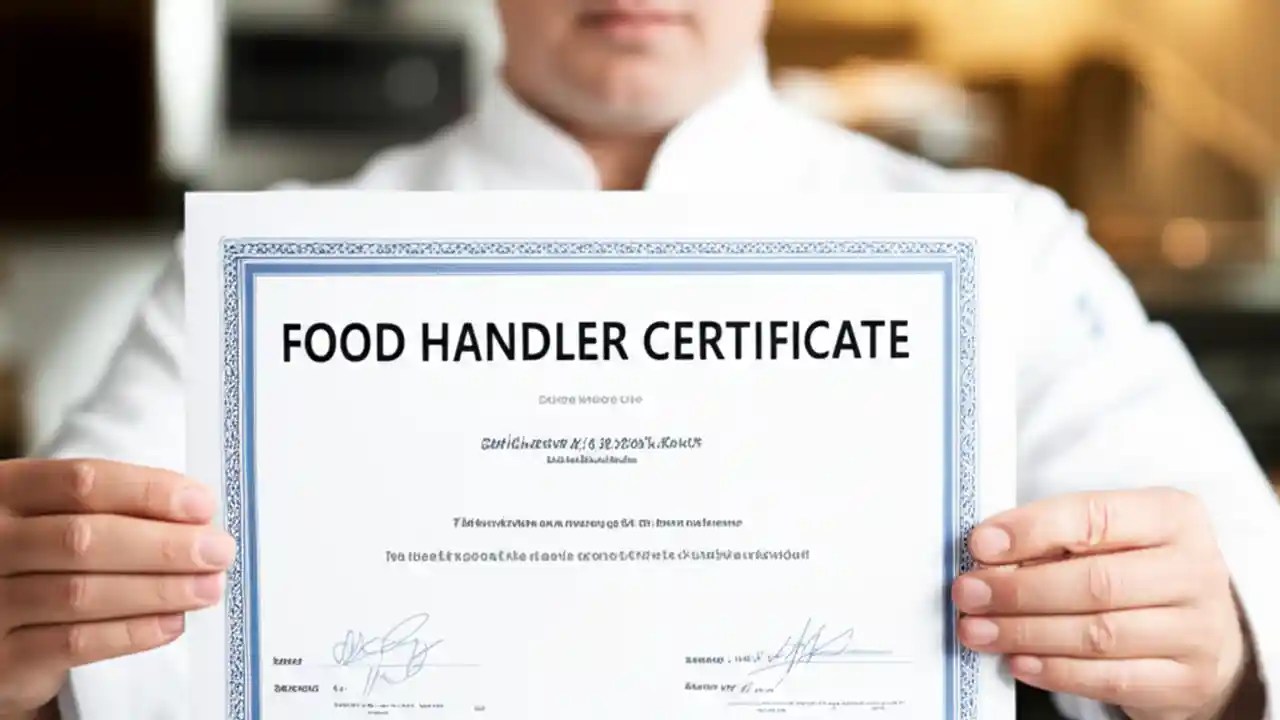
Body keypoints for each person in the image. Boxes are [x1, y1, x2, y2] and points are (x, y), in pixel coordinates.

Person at [1, 1, 1276, 719]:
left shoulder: (1006, 250)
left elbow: (1249, 589)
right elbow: (78, 644)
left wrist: (1220, 647)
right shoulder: (265, 269)